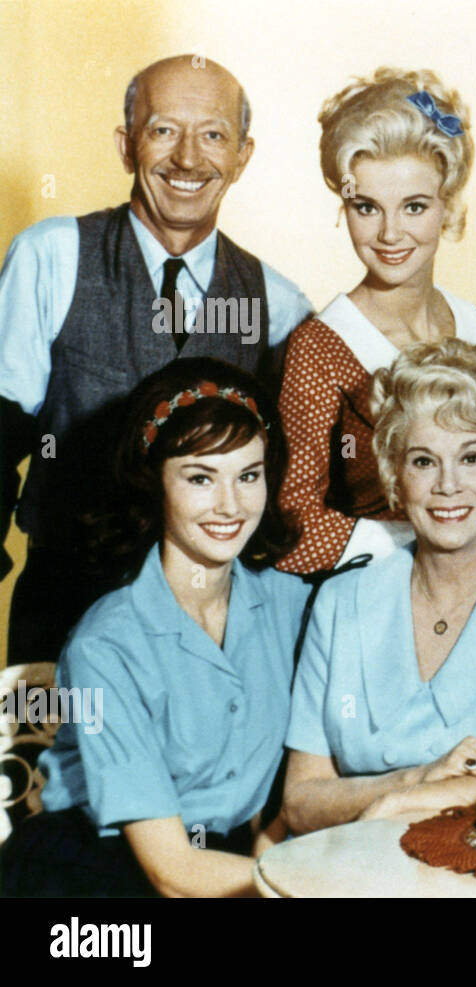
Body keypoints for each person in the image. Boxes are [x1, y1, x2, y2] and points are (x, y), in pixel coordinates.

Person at [0, 55, 313, 668]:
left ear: (243, 156)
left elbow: (282, 484)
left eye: (214, 135)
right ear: (126, 146)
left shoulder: (277, 303)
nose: (189, 159)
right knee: (46, 765)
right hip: (64, 608)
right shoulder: (52, 257)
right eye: (164, 130)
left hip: (211, 624)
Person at [0, 358, 309, 897]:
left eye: (248, 475)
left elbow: (297, 773)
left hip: (225, 866)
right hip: (99, 876)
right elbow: (171, 873)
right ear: (154, 482)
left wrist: (274, 840)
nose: (230, 505)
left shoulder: (290, 604)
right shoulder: (106, 643)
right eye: (199, 477)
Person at [283, 339, 476, 833]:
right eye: (423, 461)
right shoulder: (341, 601)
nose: (447, 485)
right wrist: (414, 782)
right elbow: (300, 803)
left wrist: (397, 806)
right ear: (396, 476)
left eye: (471, 458)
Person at [275, 67, 476, 576]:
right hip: (370, 593)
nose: (389, 233)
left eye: (414, 206)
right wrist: (430, 535)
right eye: (366, 207)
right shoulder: (319, 348)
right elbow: (292, 527)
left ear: (447, 207)